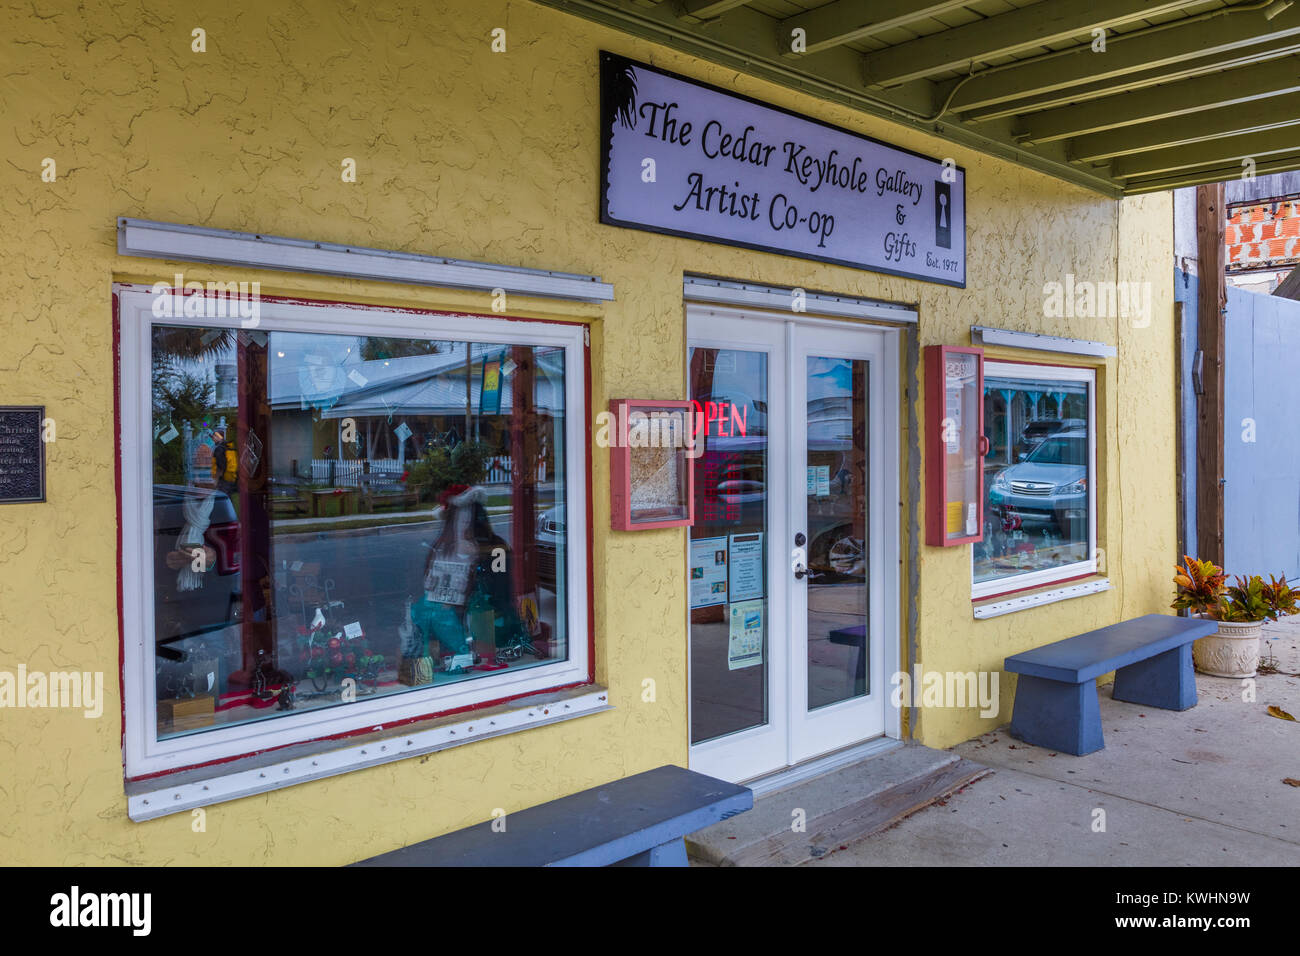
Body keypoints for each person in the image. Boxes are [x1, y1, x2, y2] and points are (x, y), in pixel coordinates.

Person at [210, 428, 238, 495]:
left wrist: (216, 481)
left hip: (223, 480)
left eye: (215, 436)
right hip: (231, 478)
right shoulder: (228, 447)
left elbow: (220, 466)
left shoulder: (219, 449)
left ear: (220, 437)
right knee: (227, 499)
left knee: (221, 499)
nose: (213, 438)